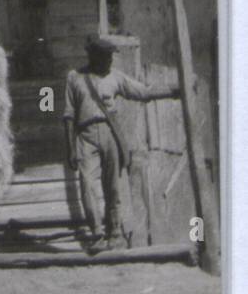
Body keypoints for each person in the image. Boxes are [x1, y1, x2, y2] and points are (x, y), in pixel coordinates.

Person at [62, 33, 179, 253]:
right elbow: (68, 116)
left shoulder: (115, 77)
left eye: (111, 57)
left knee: (113, 187)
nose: (110, 61)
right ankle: (96, 234)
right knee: (87, 185)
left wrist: (173, 91)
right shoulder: (74, 78)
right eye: (105, 57)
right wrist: (70, 149)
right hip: (85, 136)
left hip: (110, 133)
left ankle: (114, 234)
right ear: (93, 56)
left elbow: (143, 92)